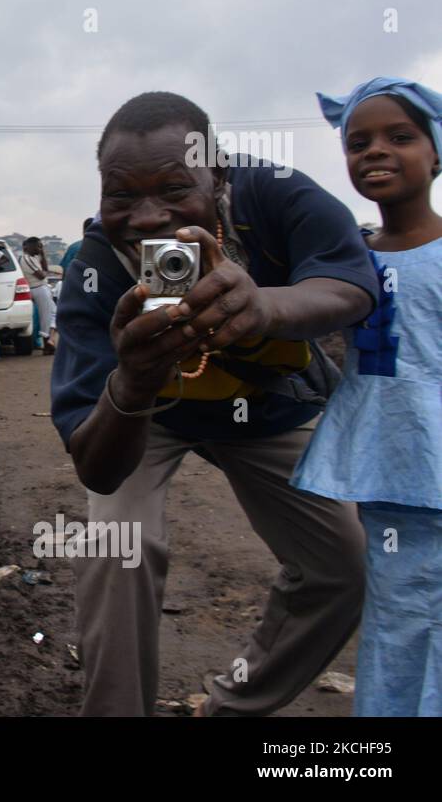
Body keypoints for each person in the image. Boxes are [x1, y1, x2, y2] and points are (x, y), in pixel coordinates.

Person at [50, 90, 377, 717]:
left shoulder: (273, 194)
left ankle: (233, 707)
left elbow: (351, 282)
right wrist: (133, 383)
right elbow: (96, 466)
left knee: (343, 566)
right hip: (149, 419)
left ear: (218, 176)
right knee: (118, 543)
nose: (147, 218)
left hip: (265, 407)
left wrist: (262, 307)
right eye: (121, 196)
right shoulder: (94, 270)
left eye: (175, 190)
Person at [290, 77, 442, 717]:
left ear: (436, 154)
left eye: (400, 137)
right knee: (399, 617)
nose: (375, 152)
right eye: (358, 143)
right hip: (385, 471)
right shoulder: (349, 260)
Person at [22, 236, 56, 354]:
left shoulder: (34, 258)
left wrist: (43, 254)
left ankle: (49, 341)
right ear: (30, 246)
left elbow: (45, 269)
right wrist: (45, 273)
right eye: (38, 246)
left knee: (53, 314)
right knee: (46, 317)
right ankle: (47, 344)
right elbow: (41, 275)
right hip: (37, 288)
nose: (40, 248)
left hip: (42, 287)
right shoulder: (26, 258)